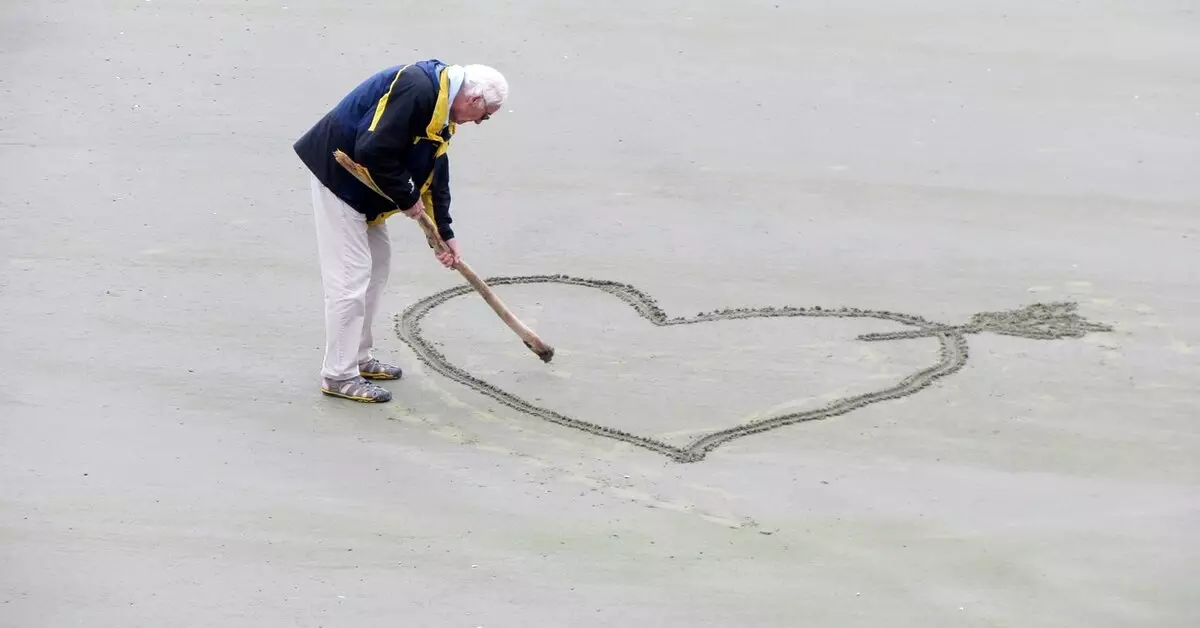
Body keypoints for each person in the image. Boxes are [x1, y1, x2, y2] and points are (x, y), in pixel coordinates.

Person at [293, 60, 507, 403]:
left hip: (368, 191)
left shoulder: (442, 108)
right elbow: (371, 149)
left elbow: (435, 169)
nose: (480, 122)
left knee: (378, 268)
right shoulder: (418, 88)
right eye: (485, 115)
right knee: (350, 280)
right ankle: (338, 374)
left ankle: (358, 358)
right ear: (474, 100)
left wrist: (443, 233)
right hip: (339, 180)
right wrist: (407, 199)